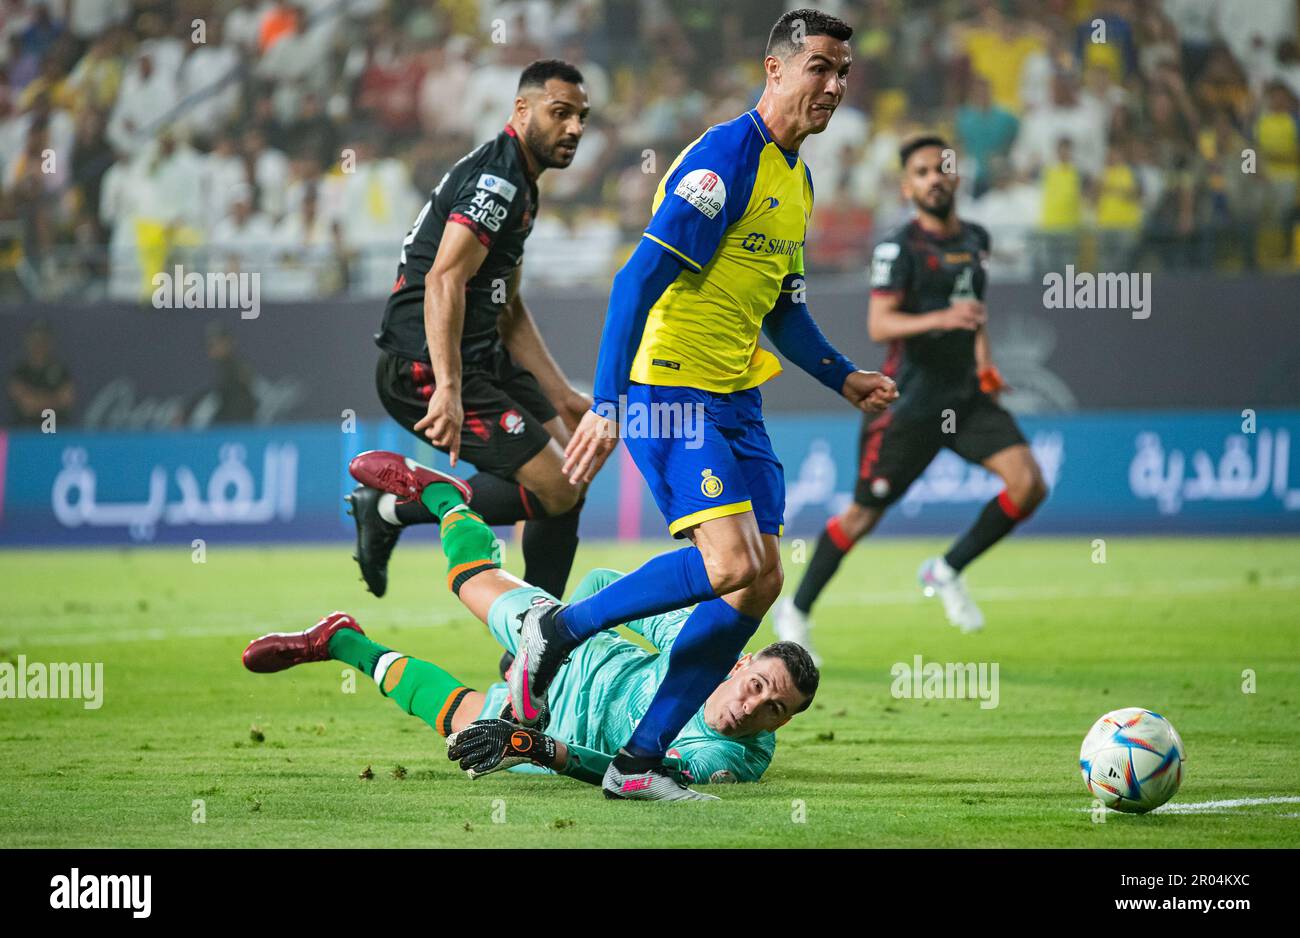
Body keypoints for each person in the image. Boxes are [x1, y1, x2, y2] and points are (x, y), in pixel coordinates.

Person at [522, 9, 897, 800]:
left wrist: (843, 377)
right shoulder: (725, 160)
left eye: (843, 74)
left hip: (734, 397)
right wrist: (610, 402)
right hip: (670, 387)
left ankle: (634, 764)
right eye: (819, 67)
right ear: (775, 69)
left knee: (758, 584)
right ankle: (556, 629)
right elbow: (635, 281)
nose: (832, 85)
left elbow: (783, 306)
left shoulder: (797, 179)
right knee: (729, 562)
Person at [242, 450, 819, 798]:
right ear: (741, 664)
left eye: (775, 709)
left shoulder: (733, 760)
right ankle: (446, 499)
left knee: (456, 720)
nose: (754, 707)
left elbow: (630, 772)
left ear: (783, 724)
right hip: (567, 654)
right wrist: (565, 637)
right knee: (469, 579)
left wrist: (537, 747)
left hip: (552, 729)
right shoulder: (705, 645)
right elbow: (597, 585)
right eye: (758, 685)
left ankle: (342, 642)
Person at [776, 135, 1048, 657]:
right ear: (908, 186)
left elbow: (975, 311)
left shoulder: (976, 238)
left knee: (1029, 483)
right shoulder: (898, 248)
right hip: (909, 405)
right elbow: (880, 324)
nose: (934, 178)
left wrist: (985, 363)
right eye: (922, 171)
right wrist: (944, 318)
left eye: (942, 168)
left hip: (965, 399)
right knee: (861, 517)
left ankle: (945, 570)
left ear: (957, 177)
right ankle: (798, 608)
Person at [352, 60, 594, 602]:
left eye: (581, 117)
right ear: (521, 110)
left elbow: (507, 306)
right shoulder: (500, 179)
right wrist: (449, 387)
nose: (574, 128)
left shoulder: (523, 183)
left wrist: (560, 393)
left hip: (480, 351)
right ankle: (392, 507)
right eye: (561, 113)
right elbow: (444, 278)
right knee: (558, 486)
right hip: (421, 363)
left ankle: (534, 647)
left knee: (571, 479)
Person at [7, 320, 74, 428]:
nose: (39, 345)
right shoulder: (19, 372)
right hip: (24, 433)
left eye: (43, 340)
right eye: (35, 340)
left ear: (50, 343)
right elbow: (27, 405)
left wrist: (37, 399)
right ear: (27, 341)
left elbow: (66, 400)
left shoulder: (61, 371)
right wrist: (54, 399)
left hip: (56, 431)